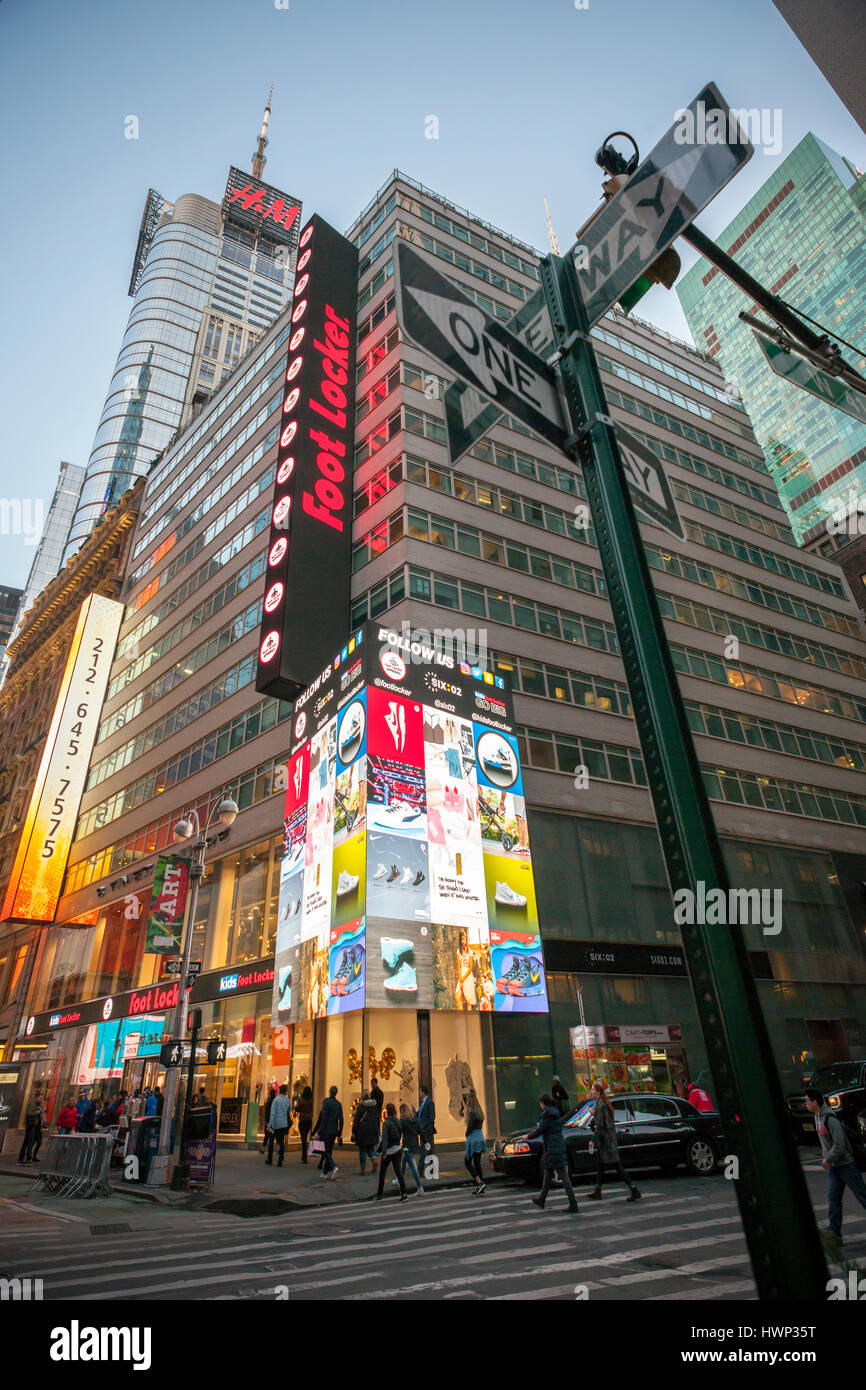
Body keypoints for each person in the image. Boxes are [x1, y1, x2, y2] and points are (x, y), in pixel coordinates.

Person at [804, 1087, 866, 1243]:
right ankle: (834, 1231)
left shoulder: (829, 1119)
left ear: (815, 1101)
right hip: (834, 1167)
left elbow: (840, 1144)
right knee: (833, 1197)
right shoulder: (817, 1117)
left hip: (845, 1164)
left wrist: (827, 1159)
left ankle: (834, 1231)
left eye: (807, 1101)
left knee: (862, 1196)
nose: (805, 1104)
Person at [588, 1080, 640, 1201]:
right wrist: (593, 1116)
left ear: (598, 1091)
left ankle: (633, 1189)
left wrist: (593, 1140)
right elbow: (603, 1121)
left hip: (607, 1141)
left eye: (592, 1090)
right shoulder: (601, 1103)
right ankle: (598, 1190)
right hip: (607, 1139)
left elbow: (601, 1126)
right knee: (600, 1165)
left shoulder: (601, 1105)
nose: (591, 1092)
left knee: (617, 1165)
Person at [529, 1094, 578, 1213]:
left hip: (552, 1148)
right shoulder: (554, 1113)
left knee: (563, 1176)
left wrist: (529, 1136)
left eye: (540, 1103)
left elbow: (540, 1129)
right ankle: (542, 1199)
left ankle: (573, 1203)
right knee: (547, 1173)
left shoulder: (547, 1115)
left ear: (543, 1103)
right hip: (556, 1146)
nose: (540, 1106)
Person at [376, 1102, 408, 1201]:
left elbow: (385, 1139)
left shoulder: (386, 1123)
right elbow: (400, 1134)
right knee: (398, 1172)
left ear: (387, 1112)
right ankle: (404, 1194)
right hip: (398, 1148)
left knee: (382, 1173)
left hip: (389, 1151)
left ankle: (379, 1195)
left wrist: (384, 1152)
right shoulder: (398, 1121)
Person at [312, 1085, 343, 1179]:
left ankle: (334, 1167)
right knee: (328, 1151)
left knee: (326, 1152)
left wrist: (319, 1132)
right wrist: (339, 1133)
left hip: (326, 1131)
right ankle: (325, 1173)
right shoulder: (338, 1104)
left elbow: (324, 1119)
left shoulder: (327, 1103)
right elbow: (341, 1119)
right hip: (334, 1130)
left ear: (330, 1092)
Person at [351, 1089, 380, 1174]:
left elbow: (356, 1120)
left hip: (362, 1130)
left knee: (362, 1149)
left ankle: (363, 1169)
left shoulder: (361, 1106)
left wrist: (353, 1131)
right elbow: (377, 1118)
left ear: (363, 1096)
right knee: (370, 1147)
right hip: (372, 1129)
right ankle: (374, 1161)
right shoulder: (374, 1106)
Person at [464, 1091, 486, 1195]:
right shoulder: (479, 1111)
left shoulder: (472, 1112)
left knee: (467, 1162)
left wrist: (466, 1134)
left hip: (474, 1139)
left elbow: (470, 1127)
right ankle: (481, 1186)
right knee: (477, 1162)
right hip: (480, 1137)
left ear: (470, 1101)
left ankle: (479, 1182)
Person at [399, 1103, 424, 1194]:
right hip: (413, 1144)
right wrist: (425, 1141)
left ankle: (420, 1187)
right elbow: (420, 1131)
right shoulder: (414, 1119)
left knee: (413, 1167)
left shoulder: (403, 1120)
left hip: (407, 1146)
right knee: (404, 1162)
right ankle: (399, 1180)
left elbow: (399, 1132)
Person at [266, 1084, 291, 1167]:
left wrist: (269, 1125)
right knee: (281, 1142)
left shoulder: (276, 1100)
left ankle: (270, 1159)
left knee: (271, 1142)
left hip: (275, 1125)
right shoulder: (287, 1101)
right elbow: (288, 1112)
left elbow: (272, 1114)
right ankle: (280, 1160)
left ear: (279, 1091)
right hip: (283, 1124)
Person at [17, 1095, 42, 1164]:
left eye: (42, 1098)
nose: (41, 1100)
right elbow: (29, 1113)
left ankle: (21, 1159)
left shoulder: (37, 1106)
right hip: (31, 1125)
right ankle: (28, 1159)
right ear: (36, 1098)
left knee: (26, 1143)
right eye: (40, 1098)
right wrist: (36, 1113)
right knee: (29, 1143)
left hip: (33, 1125)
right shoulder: (32, 1104)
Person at [296, 1085, 314, 1163]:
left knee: (303, 1139)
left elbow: (297, 1109)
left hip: (303, 1120)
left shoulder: (302, 1100)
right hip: (309, 1120)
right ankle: (304, 1156)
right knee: (305, 1137)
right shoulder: (311, 1100)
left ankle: (304, 1157)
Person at [418, 1084, 436, 1153]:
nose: (419, 1093)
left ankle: (430, 1161)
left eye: (420, 1092)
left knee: (427, 1147)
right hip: (422, 1128)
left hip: (426, 1129)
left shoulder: (429, 1102)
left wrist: (428, 1127)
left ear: (423, 1092)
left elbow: (432, 1116)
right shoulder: (423, 1102)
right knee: (424, 1147)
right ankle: (425, 1160)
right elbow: (420, 1113)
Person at [262, 1085, 277, 1155]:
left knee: (267, 1135)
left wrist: (266, 1122)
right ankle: (278, 1150)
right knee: (275, 1136)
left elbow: (267, 1112)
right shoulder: (276, 1102)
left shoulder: (269, 1102)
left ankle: (263, 1149)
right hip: (274, 1122)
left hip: (268, 1122)